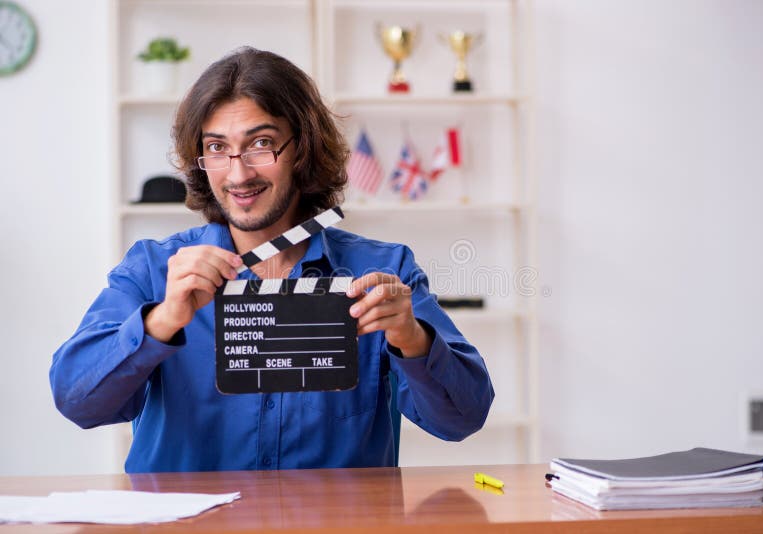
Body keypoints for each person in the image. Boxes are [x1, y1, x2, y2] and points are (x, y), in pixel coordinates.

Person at [50, 47, 494, 473]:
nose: (239, 173)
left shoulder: (382, 271)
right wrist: (161, 321)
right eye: (219, 148)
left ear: (302, 148)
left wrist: (412, 337)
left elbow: (463, 419)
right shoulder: (154, 269)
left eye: (261, 143)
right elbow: (77, 401)